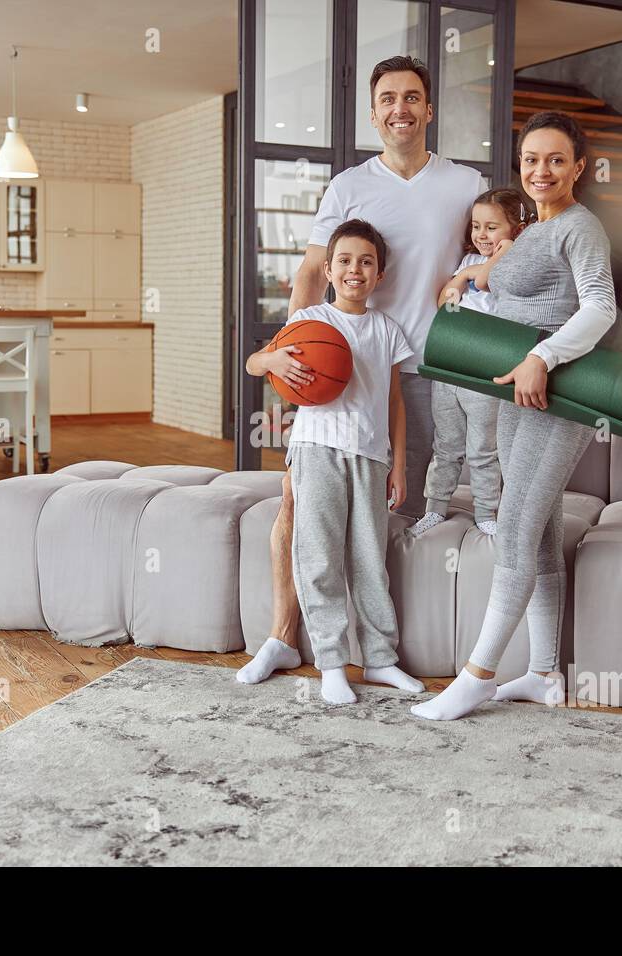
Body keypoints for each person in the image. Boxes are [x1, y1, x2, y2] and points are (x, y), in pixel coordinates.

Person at [237, 54, 485, 685]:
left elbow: (493, 251)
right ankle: (283, 639)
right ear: (373, 113)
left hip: (425, 373)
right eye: (387, 99)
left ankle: (387, 653)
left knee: (395, 514)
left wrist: (474, 275)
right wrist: (289, 371)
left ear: (429, 109)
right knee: (297, 506)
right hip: (338, 377)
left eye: (411, 97)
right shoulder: (349, 184)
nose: (399, 108)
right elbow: (311, 273)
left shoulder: (465, 182)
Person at [411, 111, 617, 720]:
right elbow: (513, 282)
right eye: (531, 159)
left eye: (555, 160)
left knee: (518, 533)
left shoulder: (581, 227)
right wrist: (472, 275)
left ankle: (477, 675)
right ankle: (544, 673)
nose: (541, 170)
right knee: (545, 535)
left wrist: (542, 355)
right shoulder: (534, 230)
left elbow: (600, 307)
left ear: (579, 167)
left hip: (557, 398)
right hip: (524, 398)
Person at [241, 219, 424, 704]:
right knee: (318, 556)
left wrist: (399, 465)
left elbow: (395, 403)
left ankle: (381, 660)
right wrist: (274, 360)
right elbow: (254, 363)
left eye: (366, 262)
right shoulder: (310, 322)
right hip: (316, 449)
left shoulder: (387, 329)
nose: (354, 270)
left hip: (370, 458)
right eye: (344, 260)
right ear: (327, 268)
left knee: (369, 561)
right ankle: (331, 664)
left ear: (379, 273)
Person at [408, 187, 529, 539]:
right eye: (476, 226)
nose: (481, 235)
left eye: (492, 228)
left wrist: (492, 260)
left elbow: (486, 280)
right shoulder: (465, 264)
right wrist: (460, 277)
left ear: (516, 231)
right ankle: (435, 507)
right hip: (449, 371)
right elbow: (444, 302)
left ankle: (486, 511)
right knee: (446, 446)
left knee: (482, 450)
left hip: (485, 375)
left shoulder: (514, 268)